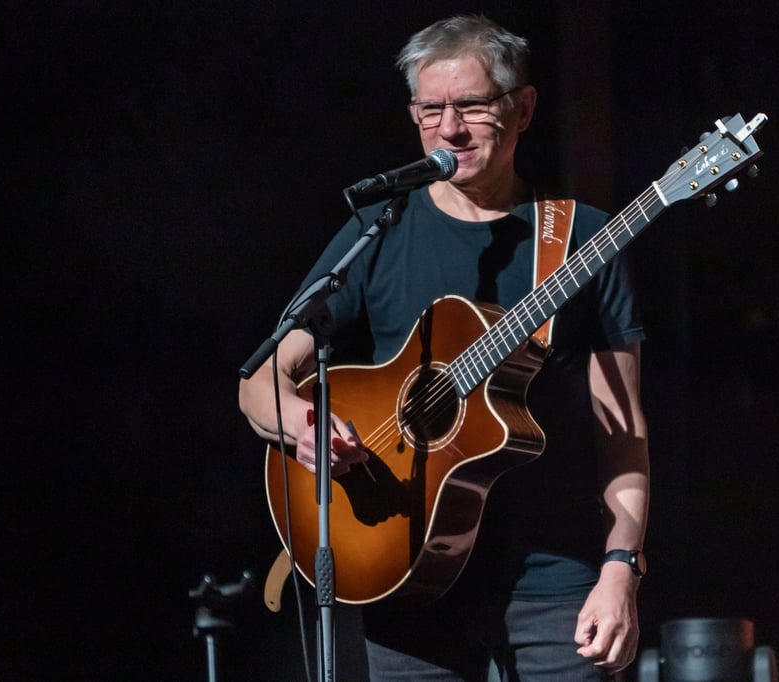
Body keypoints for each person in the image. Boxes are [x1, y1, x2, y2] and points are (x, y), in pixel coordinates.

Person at [239, 14, 650, 680]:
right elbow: (258, 381)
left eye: (472, 107)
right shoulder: (380, 228)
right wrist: (304, 425)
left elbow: (625, 434)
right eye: (431, 110)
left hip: (555, 579)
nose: (450, 129)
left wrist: (621, 568)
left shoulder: (581, 241)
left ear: (523, 109)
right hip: (401, 566)